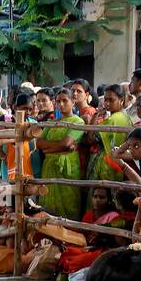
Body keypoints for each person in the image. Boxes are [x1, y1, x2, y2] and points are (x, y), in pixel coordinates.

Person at [36, 88, 86, 219]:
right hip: (49, 167)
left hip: (68, 169)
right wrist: (59, 148)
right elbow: (39, 143)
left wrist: (49, 149)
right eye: (58, 101)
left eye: (65, 100)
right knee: (48, 201)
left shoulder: (78, 121)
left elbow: (66, 143)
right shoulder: (51, 123)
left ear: (73, 102)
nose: (61, 104)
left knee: (69, 203)